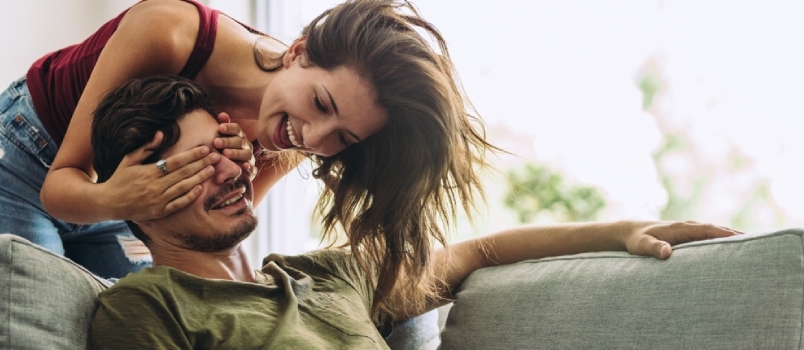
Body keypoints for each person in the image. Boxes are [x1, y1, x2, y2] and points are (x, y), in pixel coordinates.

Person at [87, 76, 738, 349]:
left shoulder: (328, 275)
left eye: (226, 149)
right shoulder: (146, 308)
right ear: (136, 194)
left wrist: (620, 229)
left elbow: (473, 254)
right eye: (196, 165)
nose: (230, 170)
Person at [0, 0, 493, 286]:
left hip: (129, 203)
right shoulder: (170, 33)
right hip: (32, 160)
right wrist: (120, 198)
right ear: (297, 52)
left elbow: (207, 236)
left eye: (343, 137)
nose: (312, 138)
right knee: (45, 305)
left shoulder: (295, 137)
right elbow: (60, 185)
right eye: (321, 103)